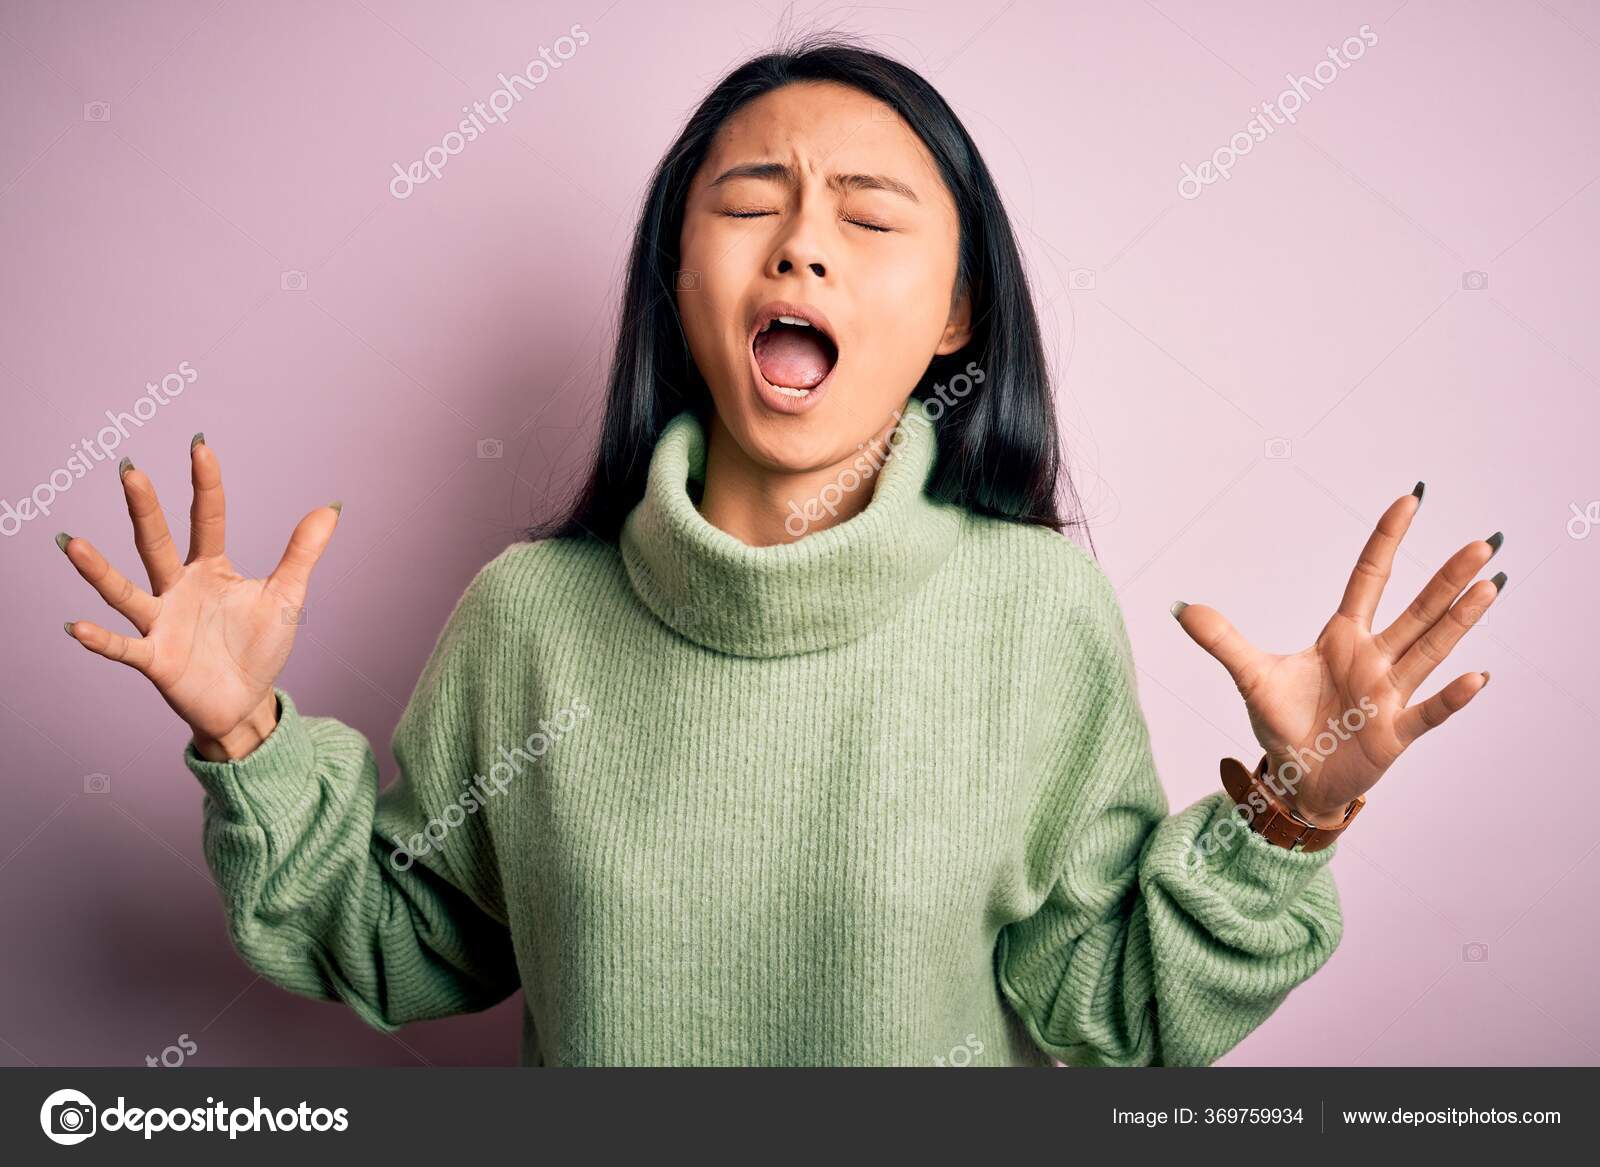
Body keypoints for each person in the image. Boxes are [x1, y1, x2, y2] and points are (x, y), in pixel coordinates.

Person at [55, 38, 1504, 1066]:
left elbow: (1102, 1006)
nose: (802, 244)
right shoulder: (530, 617)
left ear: (954, 317)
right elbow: (411, 942)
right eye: (749, 204)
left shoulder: (1033, 612)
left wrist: (1291, 818)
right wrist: (247, 735)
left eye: (870, 217)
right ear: (680, 281)